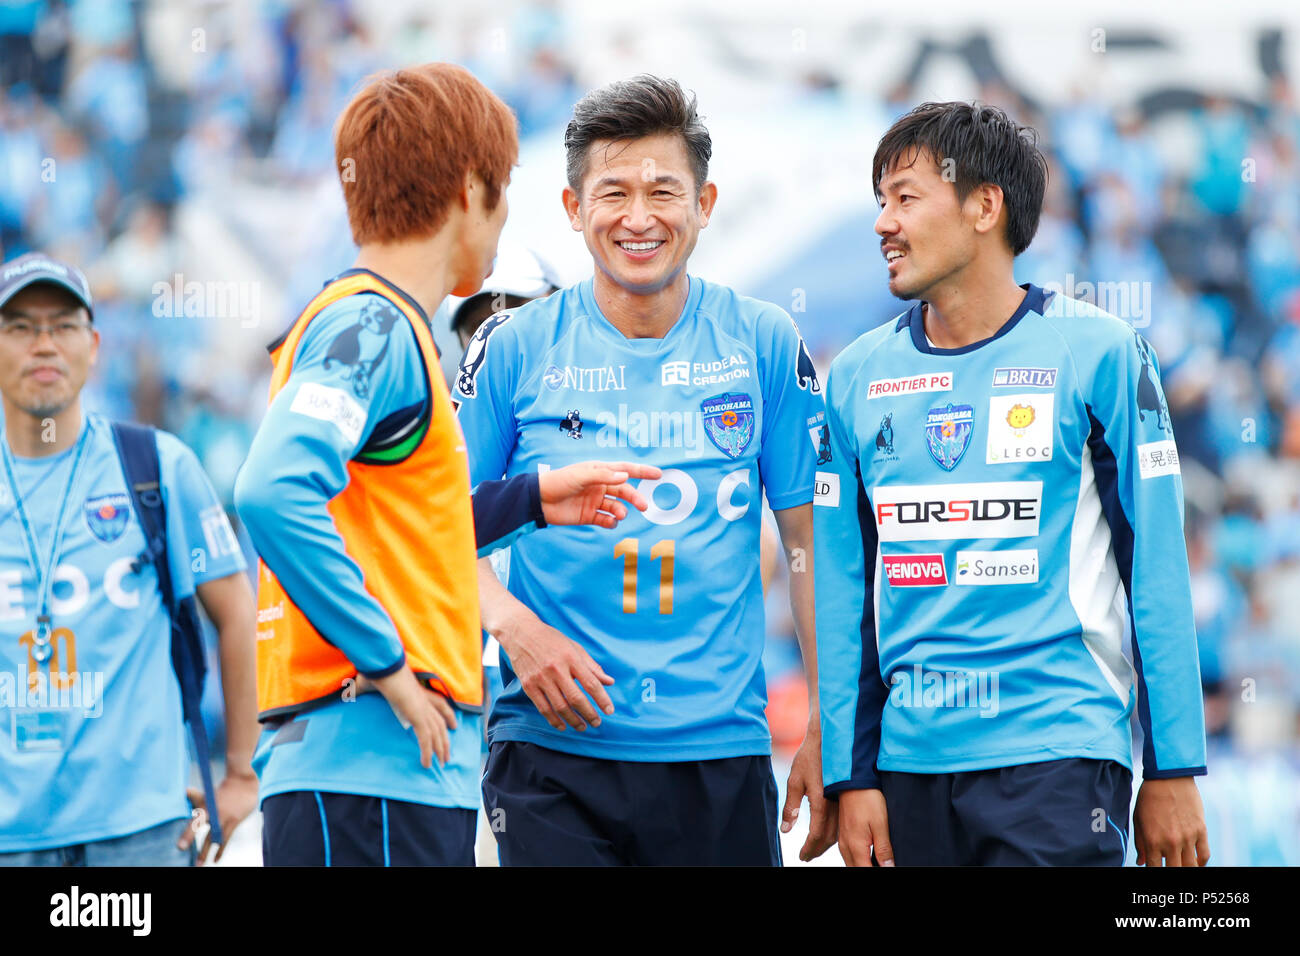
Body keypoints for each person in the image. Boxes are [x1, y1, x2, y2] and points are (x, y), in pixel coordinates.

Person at [233, 63, 658, 868]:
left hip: (382, 772)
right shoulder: (373, 326)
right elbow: (271, 490)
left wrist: (529, 498)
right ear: (471, 189)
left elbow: (392, 532)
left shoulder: (382, 326)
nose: (501, 231)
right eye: (504, 190)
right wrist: (386, 662)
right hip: (368, 764)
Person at [815, 101, 1211, 866]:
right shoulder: (856, 375)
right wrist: (852, 772)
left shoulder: (1101, 353)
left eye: (905, 197)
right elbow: (842, 588)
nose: (882, 224)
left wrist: (1173, 766)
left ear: (983, 206)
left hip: (1058, 762)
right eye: (879, 202)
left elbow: (1156, 569)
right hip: (908, 772)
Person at [456, 74, 833, 866]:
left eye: (664, 191)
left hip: (718, 753)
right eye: (612, 192)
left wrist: (829, 726)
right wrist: (516, 630)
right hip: (549, 749)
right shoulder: (512, 348)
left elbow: (810, 547)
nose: (638, 217)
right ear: (571, 210)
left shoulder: (763, 341)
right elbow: (430, 528)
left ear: (705, 203)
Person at [0, 252, 258, 865]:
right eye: (20, 327)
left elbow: (238, 614)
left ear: (93, 347)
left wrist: (243, 774)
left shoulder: (156, 467)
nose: (44, 345)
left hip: (140, 831)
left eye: (62, 326)